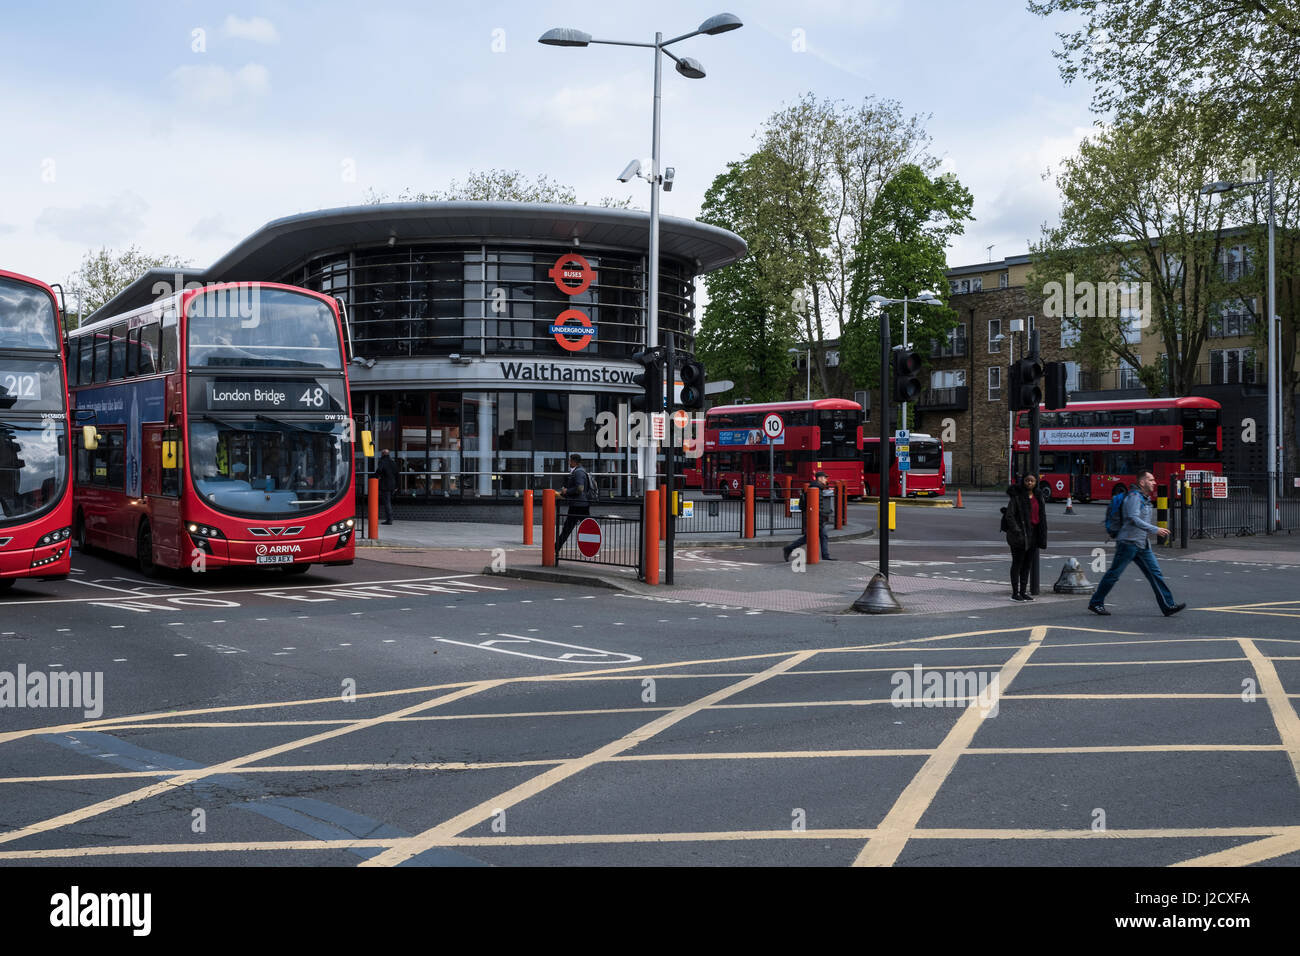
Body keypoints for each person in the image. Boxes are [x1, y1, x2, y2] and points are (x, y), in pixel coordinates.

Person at [1089, 469, 1185, 617]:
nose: (1154, 482)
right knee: (1114, 574)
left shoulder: (1144, 498)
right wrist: (1155, 529)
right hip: (1127, 543)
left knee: (1155, 574)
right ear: (1142, 482)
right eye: (1151, 480)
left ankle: (1168, 605)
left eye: (1153, 480)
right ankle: (1096, 602)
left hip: (1141, 544)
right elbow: (1133, 518)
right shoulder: (1134, 497)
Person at [1001, 473, 1049, 601]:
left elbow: (1041, 515)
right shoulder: (1016, 497)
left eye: (1032, 481)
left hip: (1033, 533)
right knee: (1017, 563)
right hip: (1020, 535)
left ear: (1036, 483)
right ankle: (1015, 593)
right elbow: (1009, 516)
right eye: (1027, 480)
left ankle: (1023, 592)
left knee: (1027, 564)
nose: (1029, 483)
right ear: (1023, 482)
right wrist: (1017, 531)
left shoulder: (1038, 496)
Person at [783, 471, 836, 562]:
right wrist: (821, 517)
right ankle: (789, 548)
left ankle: (825, 556)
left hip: (818, 518)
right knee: (809, 538)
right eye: (825, 477)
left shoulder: (818, 488)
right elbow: (816, 505)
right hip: (815, 519)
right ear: (819, 478)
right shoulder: (815, 488)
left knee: (822, 536)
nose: (826, 480)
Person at [554, 453, 593, 552]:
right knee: (588, 528)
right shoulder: (581, 470)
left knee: (568, 528)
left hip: (577, 505)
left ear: (574, 461)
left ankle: (555, 548)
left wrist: (567, 491)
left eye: (570, 460)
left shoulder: (578, 472)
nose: (569, 462)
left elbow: (580, 488)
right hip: (582, 504)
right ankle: (592, 548)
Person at [375, 448, 399, 525]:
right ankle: (390, 518)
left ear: (382, 454)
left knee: (387, 502)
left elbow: (379, 470)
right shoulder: (393, 462)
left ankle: (389, 519)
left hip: (385, 484)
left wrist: (375, 476)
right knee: (389, 502)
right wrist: (396, 485)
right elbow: (397, 474)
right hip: (392, 484)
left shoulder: (382, 461)